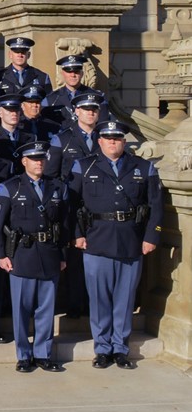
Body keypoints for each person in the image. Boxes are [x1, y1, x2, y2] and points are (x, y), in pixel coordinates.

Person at [70, 120, 163, 370]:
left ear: (124, 141)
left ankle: (120, 348)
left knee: (125, 298)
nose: (113, 142)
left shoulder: (143, 168)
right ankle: (102, 348)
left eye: (118, 138)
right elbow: (73, 204)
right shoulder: (84, 166)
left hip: (131, 241)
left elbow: (155, 206)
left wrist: (151, 237)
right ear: (99, 141)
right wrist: (77, 234)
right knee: (99, 299)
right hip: (96, 240)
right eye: (108, 138)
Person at [0, 141, 69, 373]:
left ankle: (43, 354)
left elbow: (64, 224)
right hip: (21, 254)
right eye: (34, 159)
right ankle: (24, 355)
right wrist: (2, 255)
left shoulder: (57, 187)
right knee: (21, 309)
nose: (39, 163)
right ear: (24, 161)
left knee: (46, 309)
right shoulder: (10, 187)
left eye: (42, 159)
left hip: (49, 253)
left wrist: (63, 254)